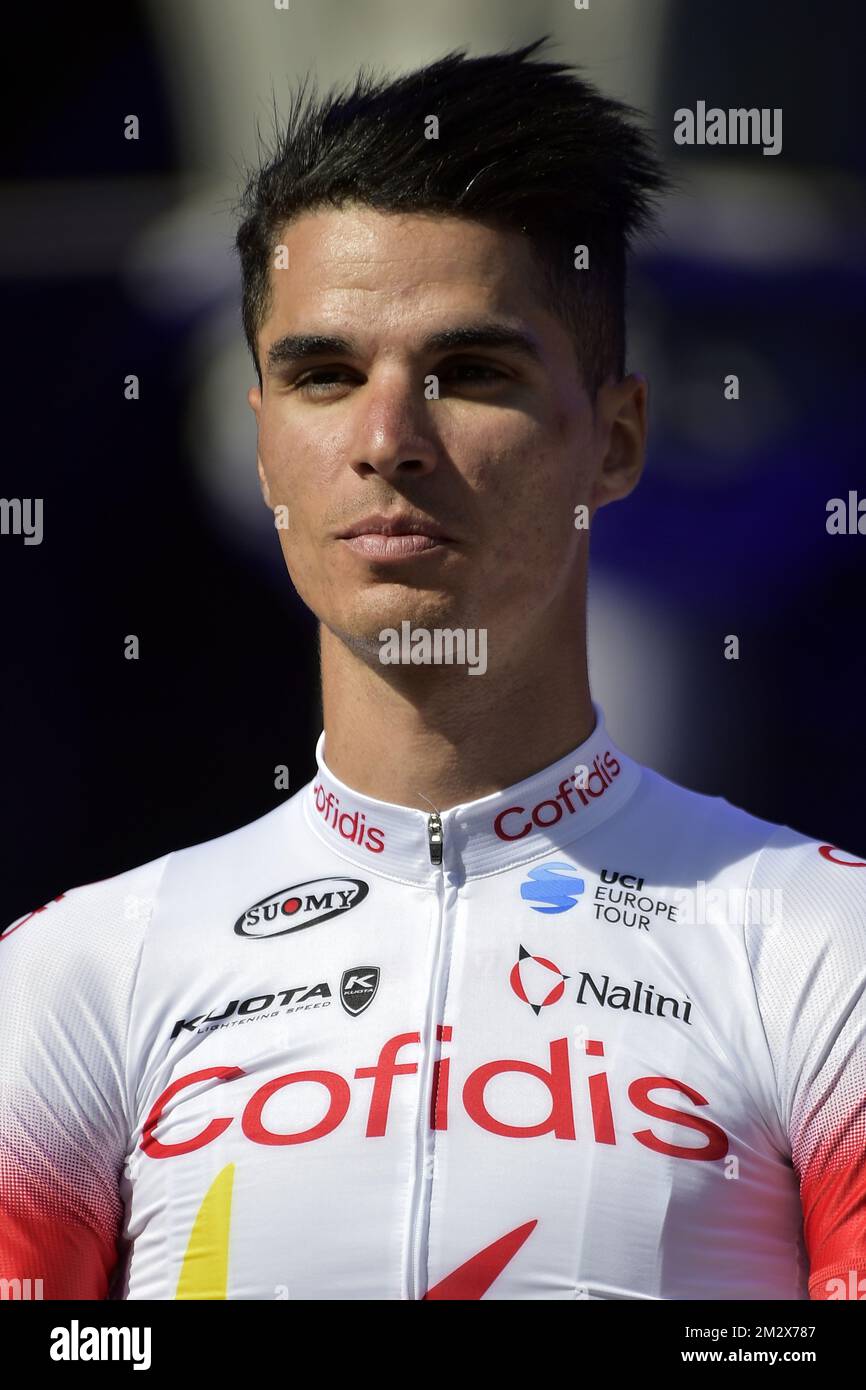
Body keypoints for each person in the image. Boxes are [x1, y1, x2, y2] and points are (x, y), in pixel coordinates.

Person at [1, 37, 864, 1303]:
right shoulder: (76, 968)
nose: (386, 442)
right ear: (257, 446)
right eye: (324, 375)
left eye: (469, 372)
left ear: (615, 440)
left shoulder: (821, 944)